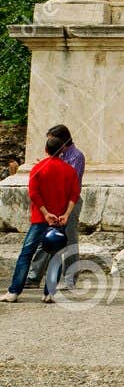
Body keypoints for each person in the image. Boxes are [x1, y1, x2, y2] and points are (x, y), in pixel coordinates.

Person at [2, 130, 81, 303]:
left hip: (40, 218)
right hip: (59, 219)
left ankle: (14, 291)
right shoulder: (69, 171)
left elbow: (34, 194)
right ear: (62, 151)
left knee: (26, 254)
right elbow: (74, 195)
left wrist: (45, 213)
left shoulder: (38, 168)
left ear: (46, 149)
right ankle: (49, 293)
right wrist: (66, 214)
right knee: (56, 256)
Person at [29, 125, 84, 291]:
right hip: (52, 200)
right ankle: (34, 276)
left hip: (69, 202)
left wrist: (50, 167)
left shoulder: (76, 156)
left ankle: (69, 278)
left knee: (69, 239)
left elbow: (70, 179)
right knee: (45, 238)